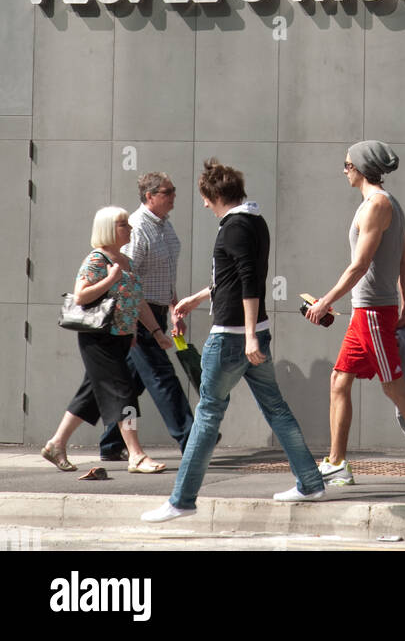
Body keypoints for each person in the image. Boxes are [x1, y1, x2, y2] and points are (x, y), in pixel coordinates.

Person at [141, 159, 324, 521]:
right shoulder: (253, 222)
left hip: (231, 339)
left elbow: (250, 283)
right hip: (251, 336)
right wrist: (197, 298)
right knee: (276, 408)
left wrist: (250, 337)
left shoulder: (233, 228)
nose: (203, 205)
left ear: (215, 195)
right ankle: (310, 482)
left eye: (205, 199)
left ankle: (181, 500)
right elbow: (232, 278)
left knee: (208, 415)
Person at [306, 140, 405, 489]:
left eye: (348, 164)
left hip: (373, 313)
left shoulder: (377, 205)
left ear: (362, 168)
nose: (344, 170)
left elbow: (360, 265)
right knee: (339, 380)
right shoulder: (383, 204)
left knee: (394, 387)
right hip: (367, 311)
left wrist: (324, 301)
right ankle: (336, 463)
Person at [42, 207, 171, 474]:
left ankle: (56, 444)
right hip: (98, 339)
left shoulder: (126, 261)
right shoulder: (97, 260)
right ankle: (136, 455)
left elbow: (138, 301)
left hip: (121, 338)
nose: (130, 228)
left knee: (89, 395)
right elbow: (81, 296)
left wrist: (155, 332)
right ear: (109, 229)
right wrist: (110, 279)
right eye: (124, 224)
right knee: (125, 393)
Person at [99, 172, 195, 462]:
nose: (173, 196)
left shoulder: (164, 226)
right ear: (150, 196)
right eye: (167, 192)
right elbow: (127, 277)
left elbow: (163, 272)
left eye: (173, 190)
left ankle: (110, 443)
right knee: (161, 375)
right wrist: (140, 321)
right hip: (138, 313)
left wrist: (175, 307)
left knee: (130, 384)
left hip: (157, 309)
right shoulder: (139, 227)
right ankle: (190, 436)